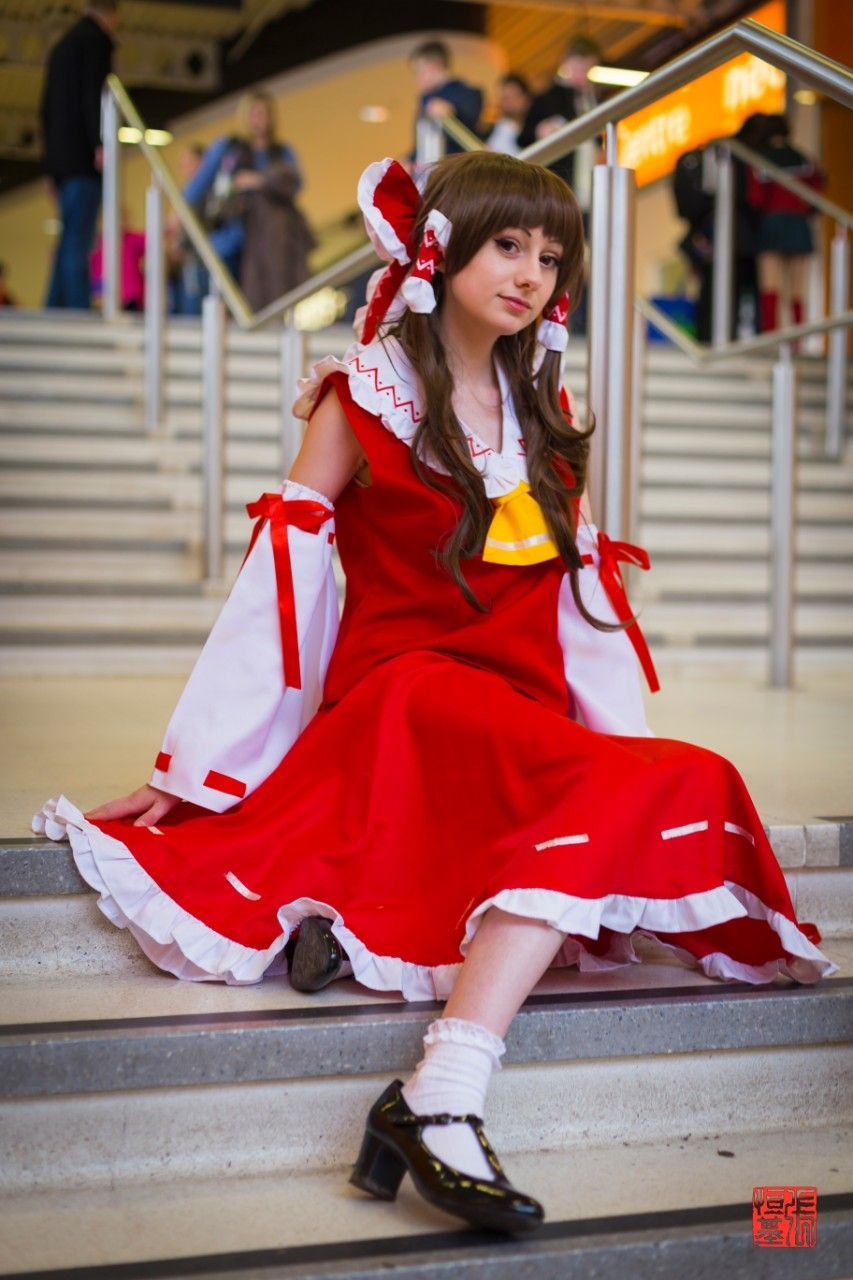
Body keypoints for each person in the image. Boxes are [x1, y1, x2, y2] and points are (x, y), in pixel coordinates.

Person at [34, 151, 836, 1237]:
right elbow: (284, 586)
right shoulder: (356, 395)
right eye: (507, 245)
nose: (531, 274)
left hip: (514, 714)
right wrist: (198, 763)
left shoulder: (549, 419)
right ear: (440, 248)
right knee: (582, 781)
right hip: (405, 696)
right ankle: (442, 1091)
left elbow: (577, 619)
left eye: (551, 256)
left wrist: (619, 766)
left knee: (692, 772)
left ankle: (397, 1007)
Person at [518, 36, 603, 334]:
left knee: (584, 256)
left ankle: (580, 320)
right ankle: (558, 318)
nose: (584, 73)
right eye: (580, 66)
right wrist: (543, 131)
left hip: (588, 191)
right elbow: (526, 139)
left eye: (589, 68)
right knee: (559, 254)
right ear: (568, 64)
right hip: (559, 189)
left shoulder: (591, 99)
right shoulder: (548, 99)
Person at [40, 0, 118, 310]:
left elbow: (45, 110)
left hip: (62, 162)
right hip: (83, 161)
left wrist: (50, 168)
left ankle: (53, 308)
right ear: (112, 15)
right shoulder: (95, 42)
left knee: (69, 237)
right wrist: (100, 142)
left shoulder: (61, 48)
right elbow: (94, 94)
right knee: (77, 242)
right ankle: (76, 309)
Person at [223, 91, 315, 312]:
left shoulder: (283, 152)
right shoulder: (234, 153)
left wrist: (258, 181)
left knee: (278, 291)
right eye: (255, 113)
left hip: (278, 236)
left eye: (264, 113)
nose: (260, 119)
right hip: (243, 235)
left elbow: (296, 184)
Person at [746, 113, 825, 333]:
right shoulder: (804, 159)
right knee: (797, 289)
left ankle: (772, 337)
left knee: (770, 285)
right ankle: (797, 341)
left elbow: (756, 198)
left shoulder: (760, 160)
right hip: (800, 225)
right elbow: (816, 192)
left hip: (771, 224)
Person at [409, 39, 483, 161]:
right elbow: (420, 145)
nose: (417, 78)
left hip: (458, 166)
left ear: (435, 65)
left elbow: (470, 117)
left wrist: (452, 109)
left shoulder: (467, 93)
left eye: (419, 70)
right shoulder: (426, 102)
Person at [485, 74, 531, 157]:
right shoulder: (493, 132)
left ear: (525, 98)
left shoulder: (538, 126)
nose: (508, 103)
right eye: (504, 98)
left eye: (513, 97)